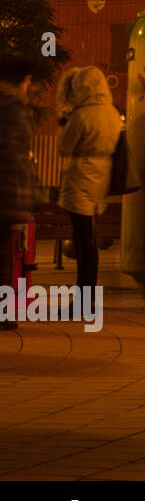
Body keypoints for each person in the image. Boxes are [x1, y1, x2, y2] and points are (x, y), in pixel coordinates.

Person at [56, 66, 121, 290]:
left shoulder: (82, 115)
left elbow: (65, 147)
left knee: (83, 240)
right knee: (89, 238)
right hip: (101, 178)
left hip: (80, 177)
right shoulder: (112, 113)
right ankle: (88, 293)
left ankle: (85, 294)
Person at [0, 57, 36, 331]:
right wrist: (21, 198)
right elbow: (13, 157)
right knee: (2, 256)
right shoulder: (12, 108)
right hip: (5, 196)